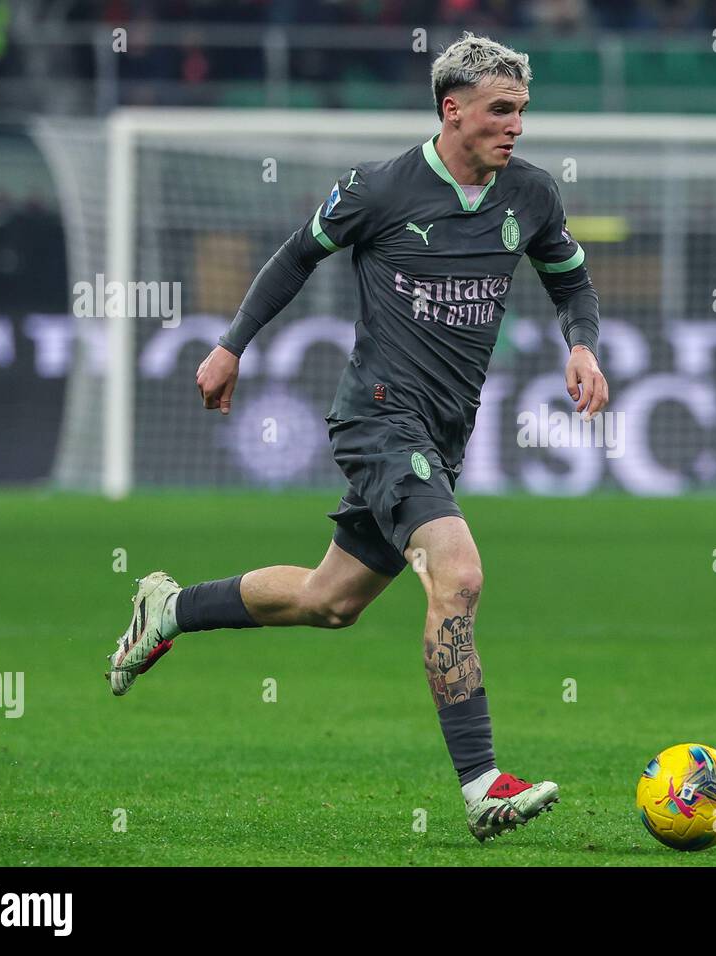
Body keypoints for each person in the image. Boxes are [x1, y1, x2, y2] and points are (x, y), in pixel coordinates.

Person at [104, 31, 609, 843]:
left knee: (328, 600)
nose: (516, 126)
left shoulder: (532, 196)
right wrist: (231, 344)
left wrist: (580, 341)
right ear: (453, 110)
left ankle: (168, 608)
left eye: (522, 111)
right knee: (460, 574)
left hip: (442, 433)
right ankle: (483, 784)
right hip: (378, 416)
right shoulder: (379, 190)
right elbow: (294, 257)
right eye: (500, 111)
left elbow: (569, 275)